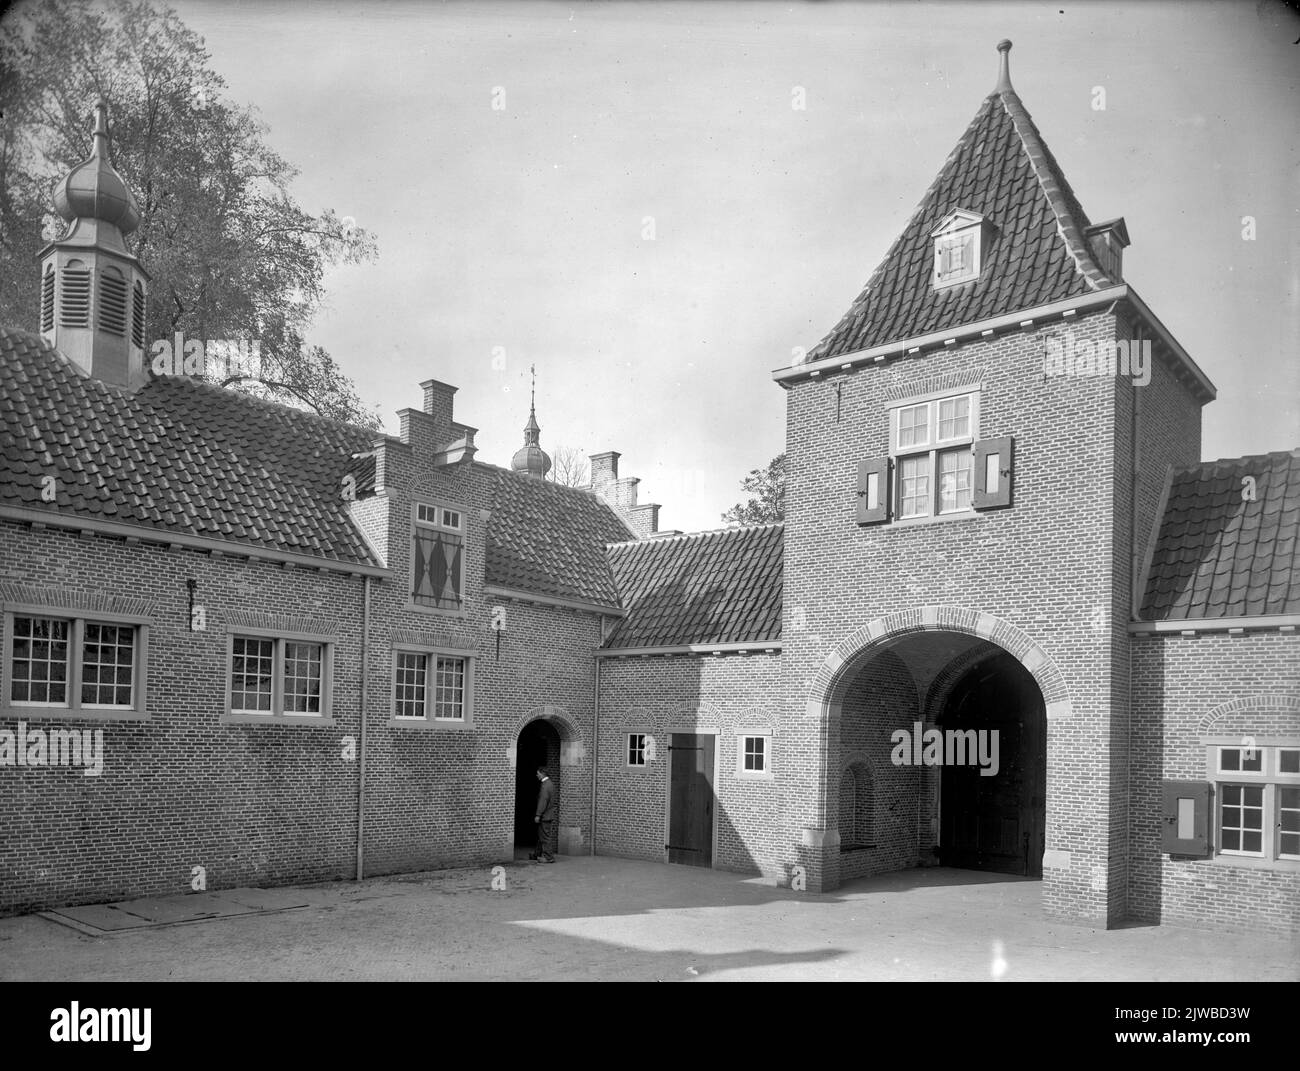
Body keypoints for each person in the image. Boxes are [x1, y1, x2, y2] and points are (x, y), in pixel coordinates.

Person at [530, 766, 557, 863]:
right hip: (548, 814)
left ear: (543, 773)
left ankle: (548, 857)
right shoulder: (549, 784)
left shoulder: (545, 785)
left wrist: (538, 814)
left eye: (538, 773)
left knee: (545, 836)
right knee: (541, 835)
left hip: (545, 816)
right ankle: (537, 854)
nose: (537, 775)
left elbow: (543, 801)